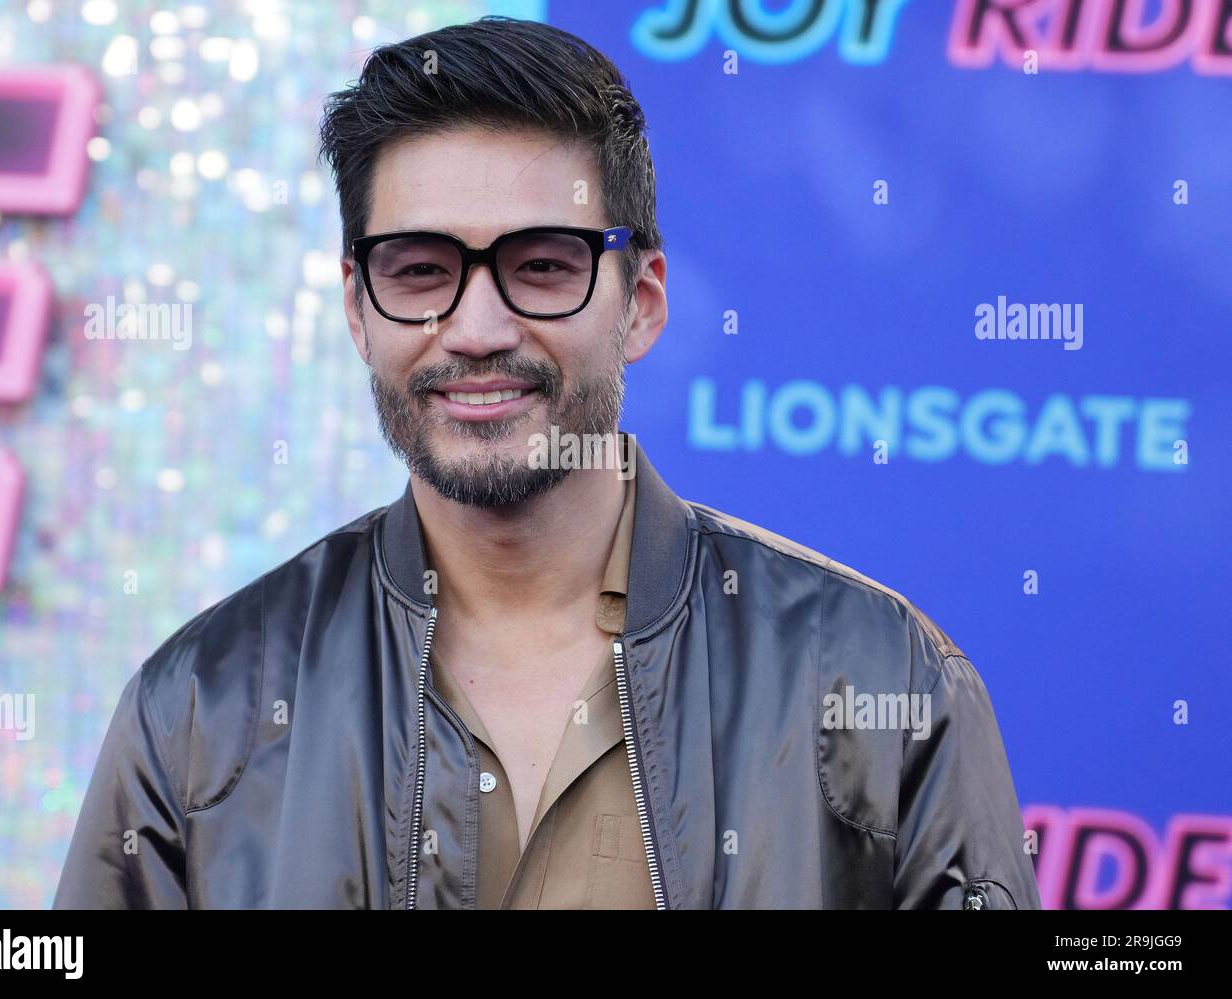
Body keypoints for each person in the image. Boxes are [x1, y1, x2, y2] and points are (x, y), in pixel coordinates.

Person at [54, 15, 1039, 909]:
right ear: (357, 308)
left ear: (642, 301)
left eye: (541, 266)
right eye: (420, 271)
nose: (476, 328)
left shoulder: (881, 679)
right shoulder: (201, 707)